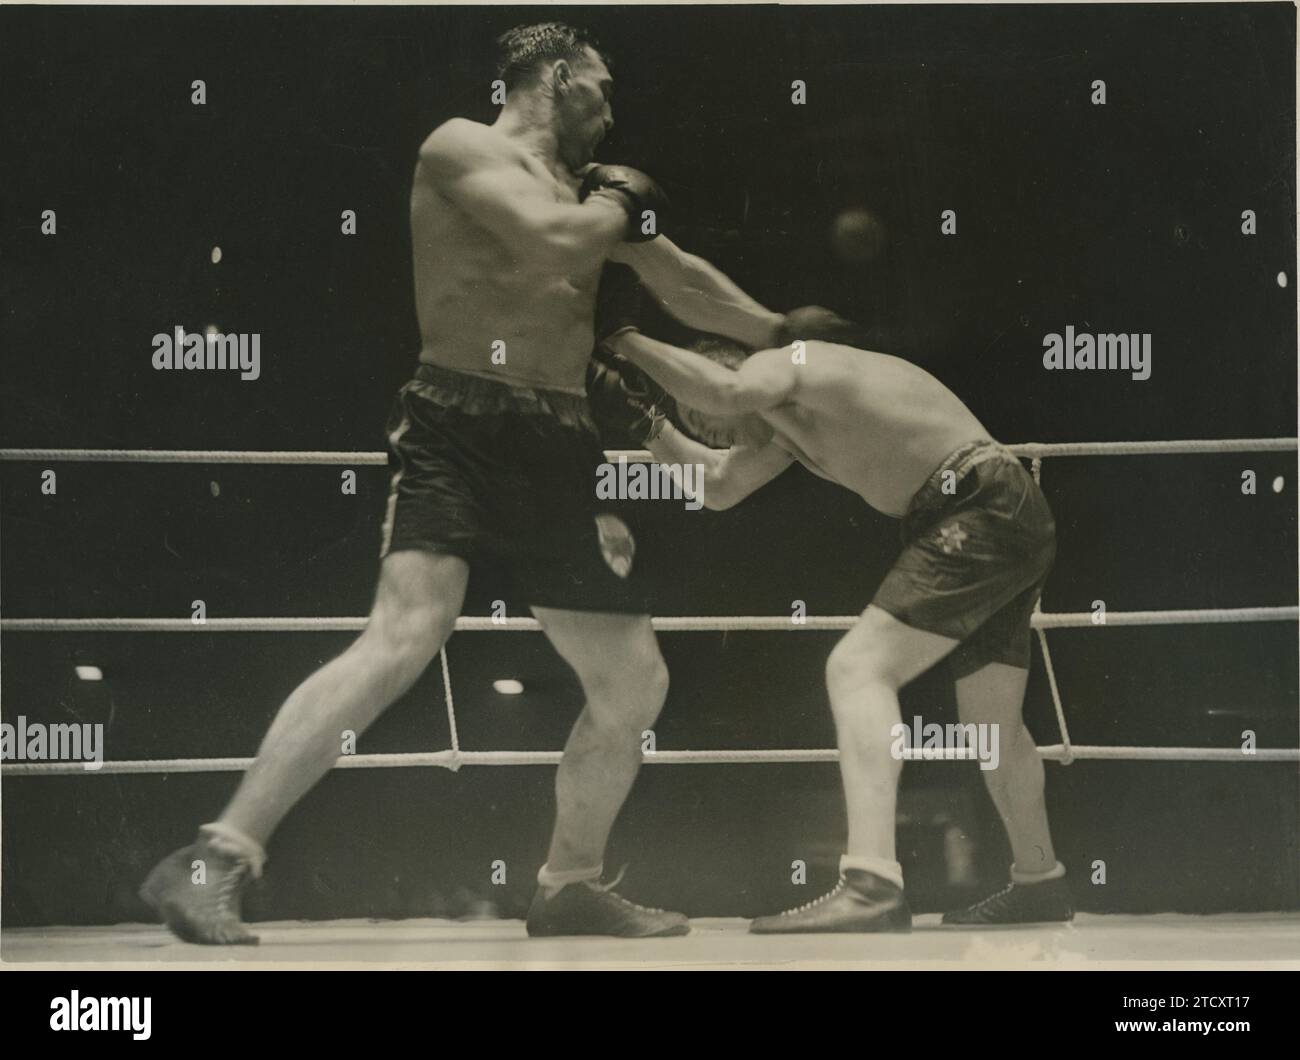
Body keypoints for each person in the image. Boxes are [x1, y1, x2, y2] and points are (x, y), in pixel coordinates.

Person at [140, 21, 802, 943]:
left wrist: (786, 333)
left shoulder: (591, 194)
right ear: (558, 76)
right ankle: (217, 857)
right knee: (405, 635)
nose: (610, 116)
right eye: (600, 91)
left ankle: (567, 884)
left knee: (632, 681)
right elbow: (552, 242)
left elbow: (681, 281)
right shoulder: (460, 148)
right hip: (459, 421)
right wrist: (618, 210)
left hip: (558, 436)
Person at [605, 323, 1073, 931]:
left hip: (976, 501)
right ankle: (1040, 882)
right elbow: (718, 488)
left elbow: (724, 392)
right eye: (689, 418)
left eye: (693, 405)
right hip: (999, 512)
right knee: (993, 725)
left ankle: (871, 882)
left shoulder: (792, 367)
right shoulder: (784, 435)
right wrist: (650, 426)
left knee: (857, 669)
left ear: (728, 375)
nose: (702, 425)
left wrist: (621, 337)